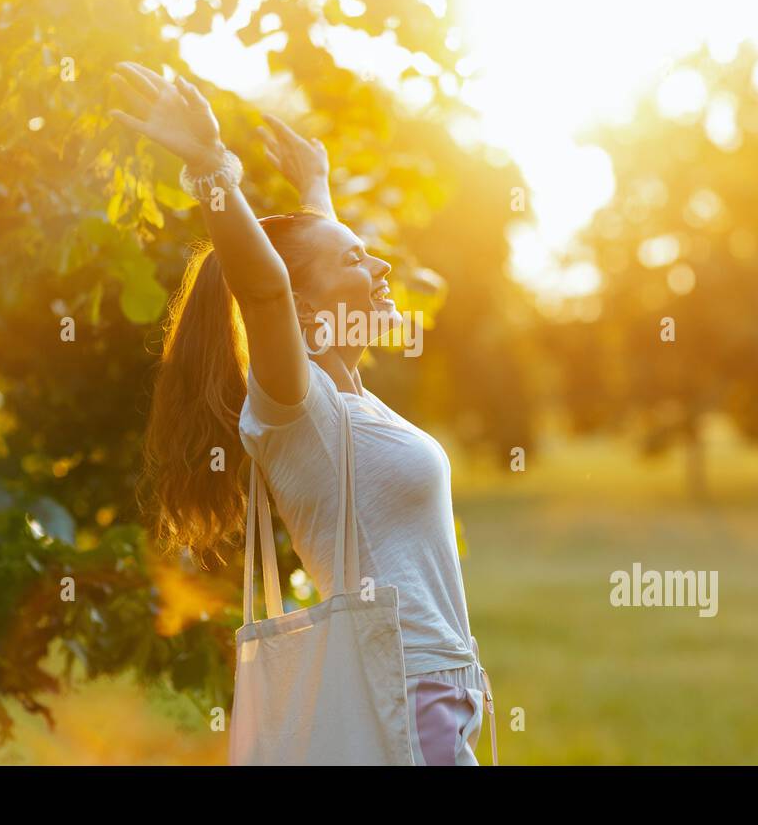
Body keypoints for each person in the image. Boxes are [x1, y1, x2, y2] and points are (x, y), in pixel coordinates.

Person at [110, 61, 496, 765]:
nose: (379, 267)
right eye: (356, 260)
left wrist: (315, 188)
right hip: (401, 690)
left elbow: (307, 273)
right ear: (304, 307)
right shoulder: (299, 410)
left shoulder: (349, 398)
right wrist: (211, 168)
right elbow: (265, 288)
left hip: (429, 688)